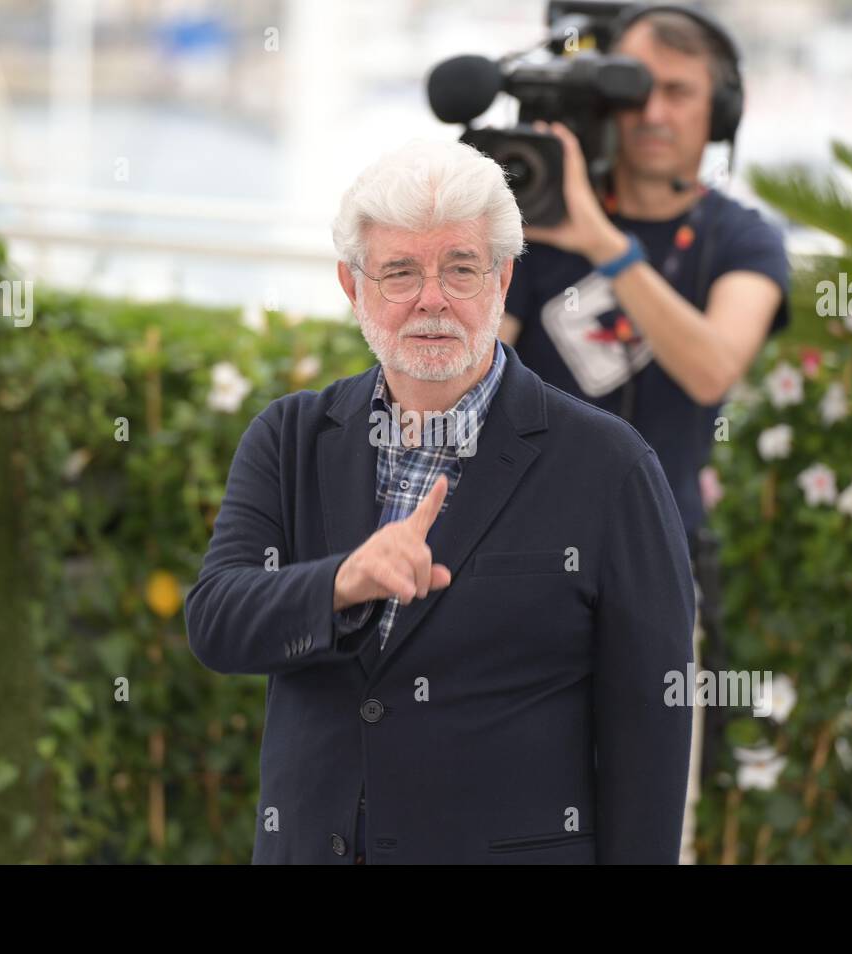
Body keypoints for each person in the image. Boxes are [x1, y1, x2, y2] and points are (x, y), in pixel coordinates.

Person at [185, 137, 696, 864]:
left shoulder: (611, 468)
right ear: (350, 284)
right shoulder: (289, 437)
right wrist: (342, 585)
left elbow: (651, 725)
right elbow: (218, 622)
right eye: (398, 272)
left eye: (460, 268)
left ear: (502, 278)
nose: (431, 298)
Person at [500, 4, 792, 864]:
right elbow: (460, 381)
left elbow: (710, 367)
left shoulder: (741, 238)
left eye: (679, 91)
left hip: (654, 581)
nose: (655, 114)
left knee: (650, 834)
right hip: (507, 568)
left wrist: (600, 239)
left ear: (719, 111)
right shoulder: (535, 219)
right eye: (634, 90)